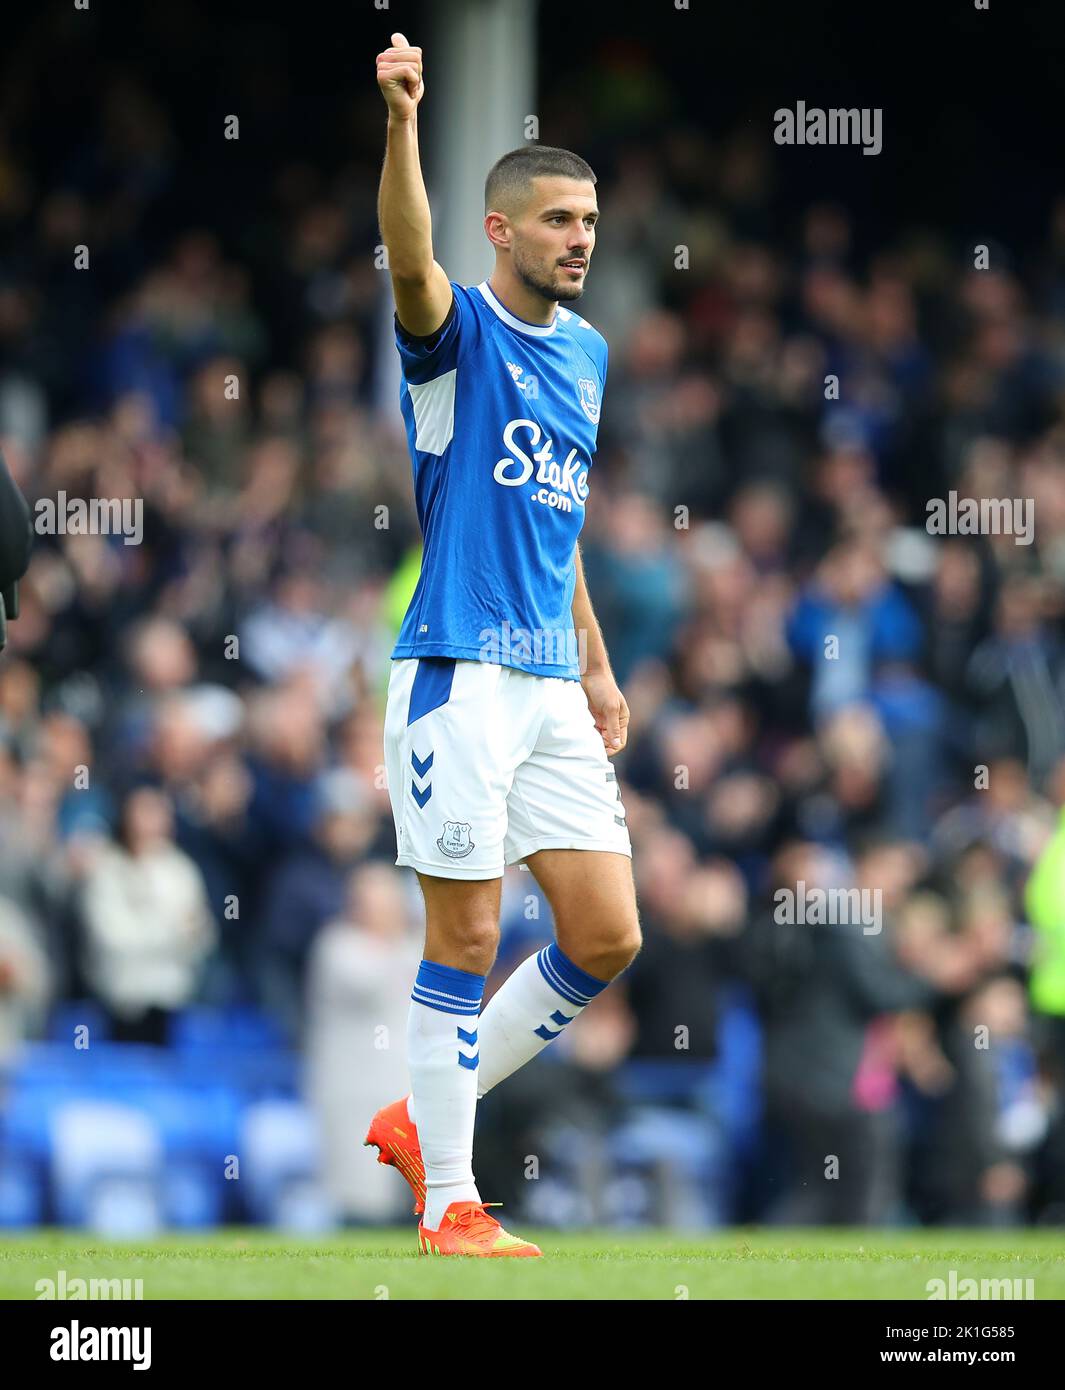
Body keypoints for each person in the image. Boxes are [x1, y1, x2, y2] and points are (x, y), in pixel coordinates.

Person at [364, 33, 641, 1257]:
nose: (583, 236)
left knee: (607, 934)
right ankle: (449, 1205)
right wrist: (402, 119)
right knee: (467, 936)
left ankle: (432, 1121)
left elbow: (560, 511)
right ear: (502, 230)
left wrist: (594, 656)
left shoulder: (588, 357)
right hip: (456, 673)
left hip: (548, 680)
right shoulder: (455, 329)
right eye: (561, 219)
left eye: (591, 219)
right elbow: (409, 257)